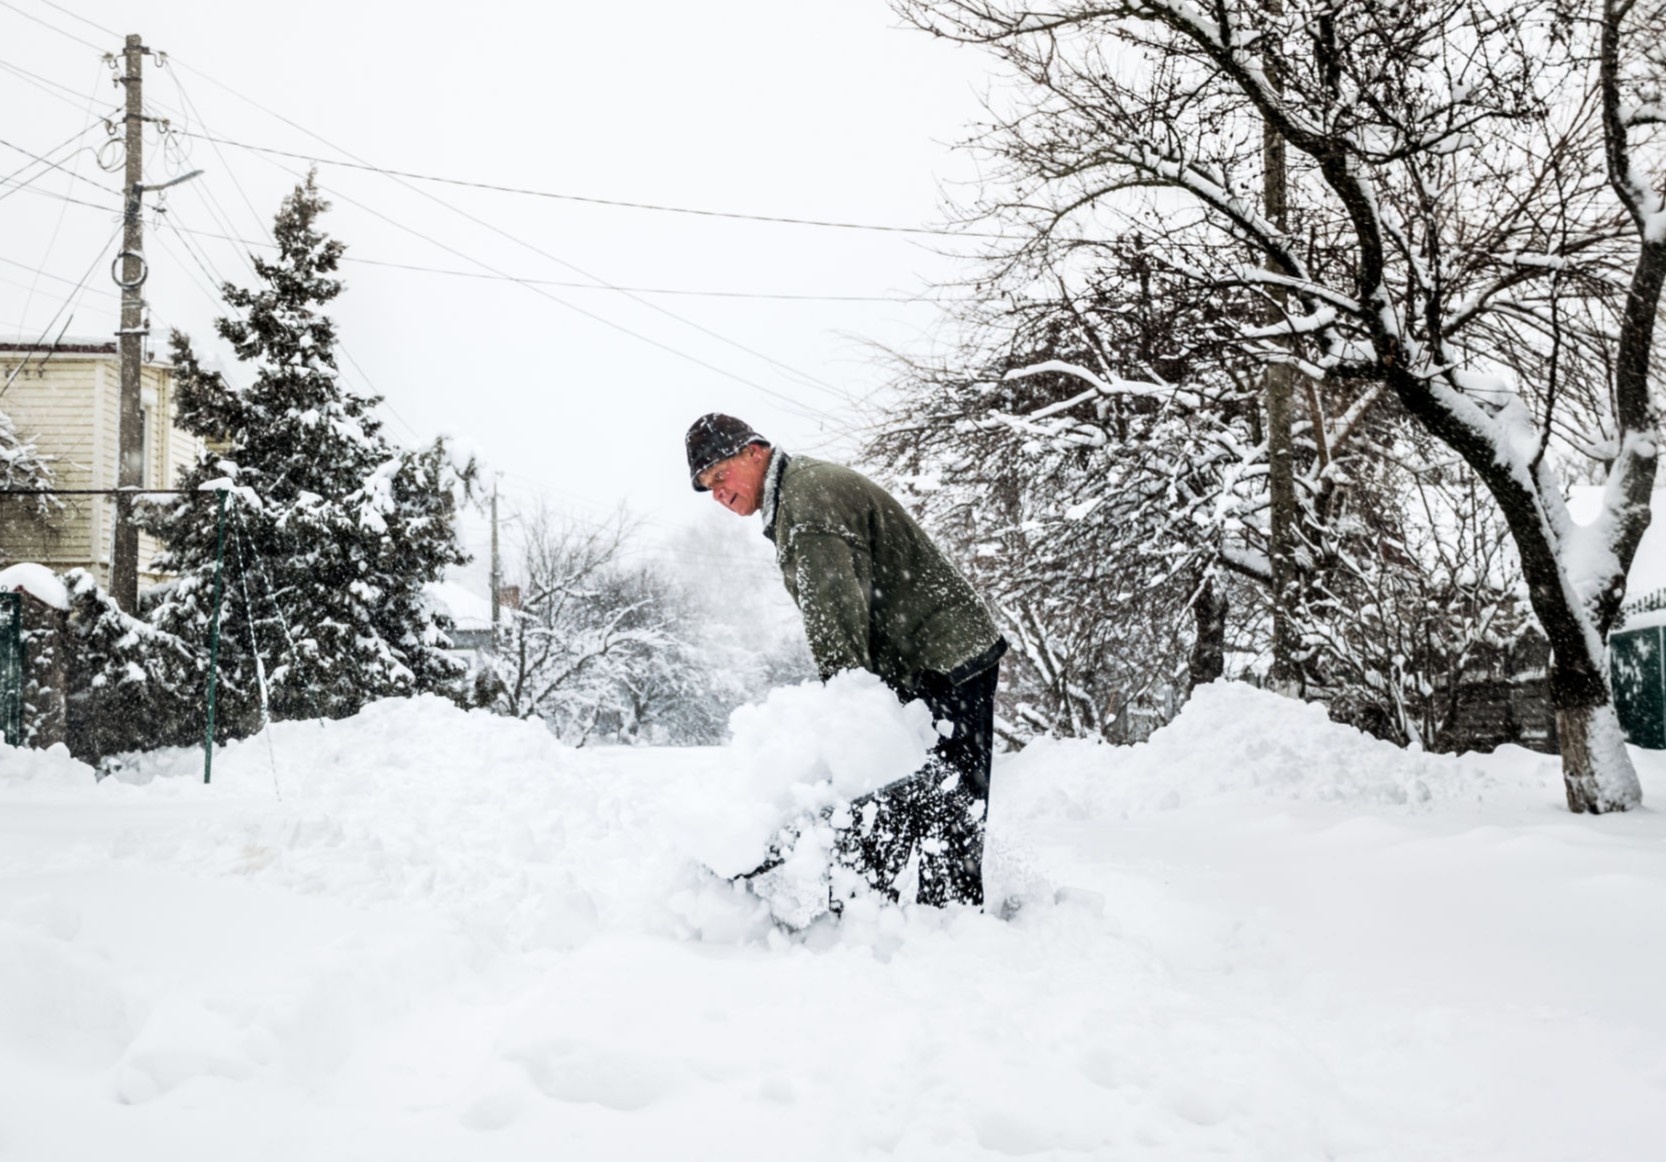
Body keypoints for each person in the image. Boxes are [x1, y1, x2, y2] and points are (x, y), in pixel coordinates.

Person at [685, 412, 1006, 909]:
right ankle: (886, 913)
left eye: (721, 476)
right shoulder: (795, 498)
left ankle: (946, 924)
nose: (720, 495)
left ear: (755, 451)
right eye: (709, 488)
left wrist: (849, 718)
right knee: (909, 791)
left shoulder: (808, 505)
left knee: (945, 801)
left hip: (946, 654)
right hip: (921, 658)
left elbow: (836, 624)